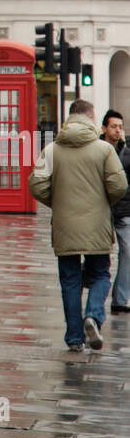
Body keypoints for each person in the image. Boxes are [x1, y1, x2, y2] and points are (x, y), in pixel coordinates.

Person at [29, 98, 127, 352]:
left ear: (69, 117)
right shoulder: (104, 149)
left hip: (64, 225)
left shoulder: (52, 149)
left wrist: (58, 202)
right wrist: (104, 203)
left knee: (70, 281)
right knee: (100, 274)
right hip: (97, 225)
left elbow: (36, 184)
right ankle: (93, 316)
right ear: (91, 118)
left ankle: (74, 338)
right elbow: (119, 186)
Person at [100, 109, 130, 314]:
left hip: (124, 212)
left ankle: (120, 299)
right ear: (104, 128)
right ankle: (96, 291)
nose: (118, 130)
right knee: (99, 257)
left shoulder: (127, 153)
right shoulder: (97, 150)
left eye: (120, 127)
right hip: (101, 211)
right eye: (113, 126)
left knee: (128, 253)